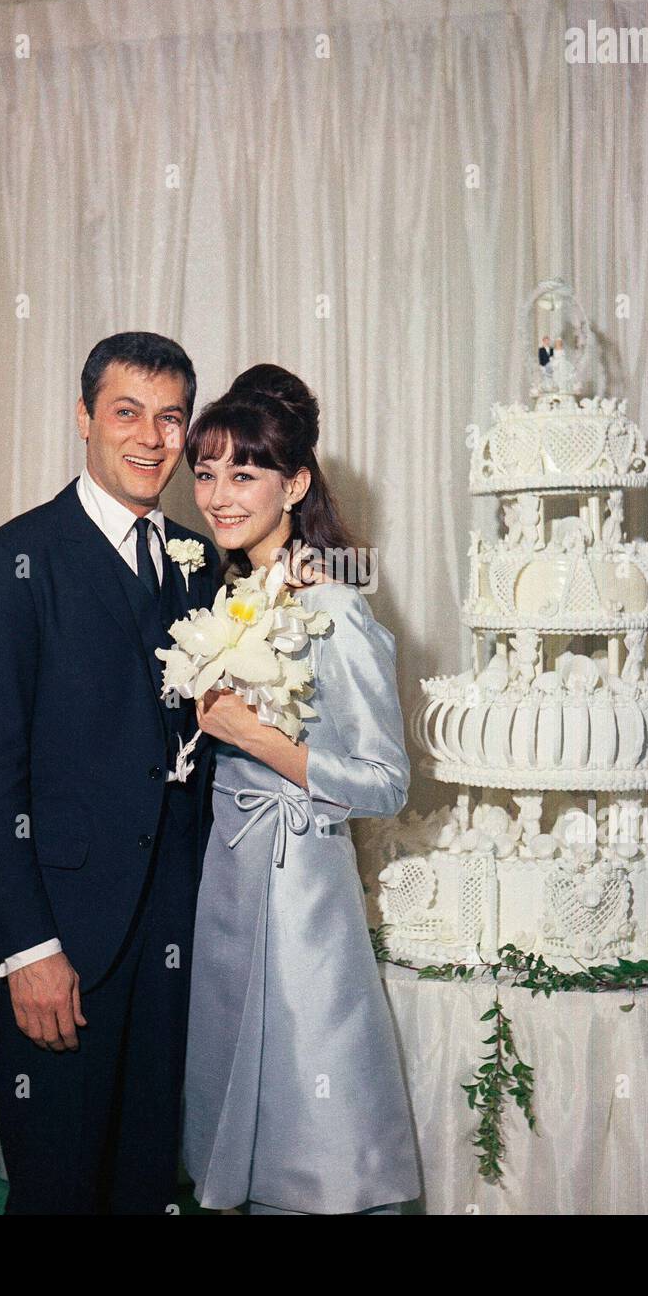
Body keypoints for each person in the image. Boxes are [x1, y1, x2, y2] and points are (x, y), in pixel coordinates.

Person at [0, 331, 219, 1213]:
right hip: (62, 942)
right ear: (84, 420)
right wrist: (26, 949)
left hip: (176, 936)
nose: (151, 437)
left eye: (170, 417)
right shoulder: (7, 566)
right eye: (127, 412)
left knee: (149, 1181)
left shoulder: (206, 564)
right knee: (59, 1184)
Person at [181, 363, 422, 1215]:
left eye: (243, 472)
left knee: (307, 1115)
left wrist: (259, 740)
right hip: (230, 870)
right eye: (205, 471)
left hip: (301, 886)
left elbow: (385, 781)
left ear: (296, 483)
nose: (217, 494)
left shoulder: (337, 607)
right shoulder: (233, 594)